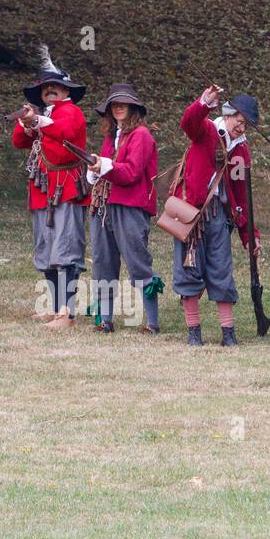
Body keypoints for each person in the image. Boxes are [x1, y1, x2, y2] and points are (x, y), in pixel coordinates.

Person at [173, 86, 261, 346]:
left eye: (247, 124)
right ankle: (194, 333)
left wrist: (249, 235)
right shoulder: (207, 130)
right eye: (240, 121)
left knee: (222, 271)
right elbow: (188, 123)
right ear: (229, 114)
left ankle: (228, 334)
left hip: (220, 217)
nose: (242, 128)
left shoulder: (241, 151)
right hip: (192, 213)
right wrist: (204, 102)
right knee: (189, 270)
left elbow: (241, 196)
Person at [12, 46, 90, 330]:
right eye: (46, 88)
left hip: (66, 189)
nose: (50, 91)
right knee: (46, 252)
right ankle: (54, 308)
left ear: (66, 90)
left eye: (55, 87)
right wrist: (26, 121)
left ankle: (67, 313)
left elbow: (66, 133)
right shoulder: (44, 115)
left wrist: (39, 120)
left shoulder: (72, 112)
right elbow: (19, 141)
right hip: (42, 191)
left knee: (66, 251)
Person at [85, 83, 161, 333]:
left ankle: (152, 322)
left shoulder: (141, 135)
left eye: (123, 103)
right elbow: (108, 170)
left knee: (137, 261)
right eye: (114, 104)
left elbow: (131, 173)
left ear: (133, 107)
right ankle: (104, 320)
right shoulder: (111, 136)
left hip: (130, 206)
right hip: (104, 205)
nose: (118, 107)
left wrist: (105, 166)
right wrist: (95, 170)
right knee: (102, 262)